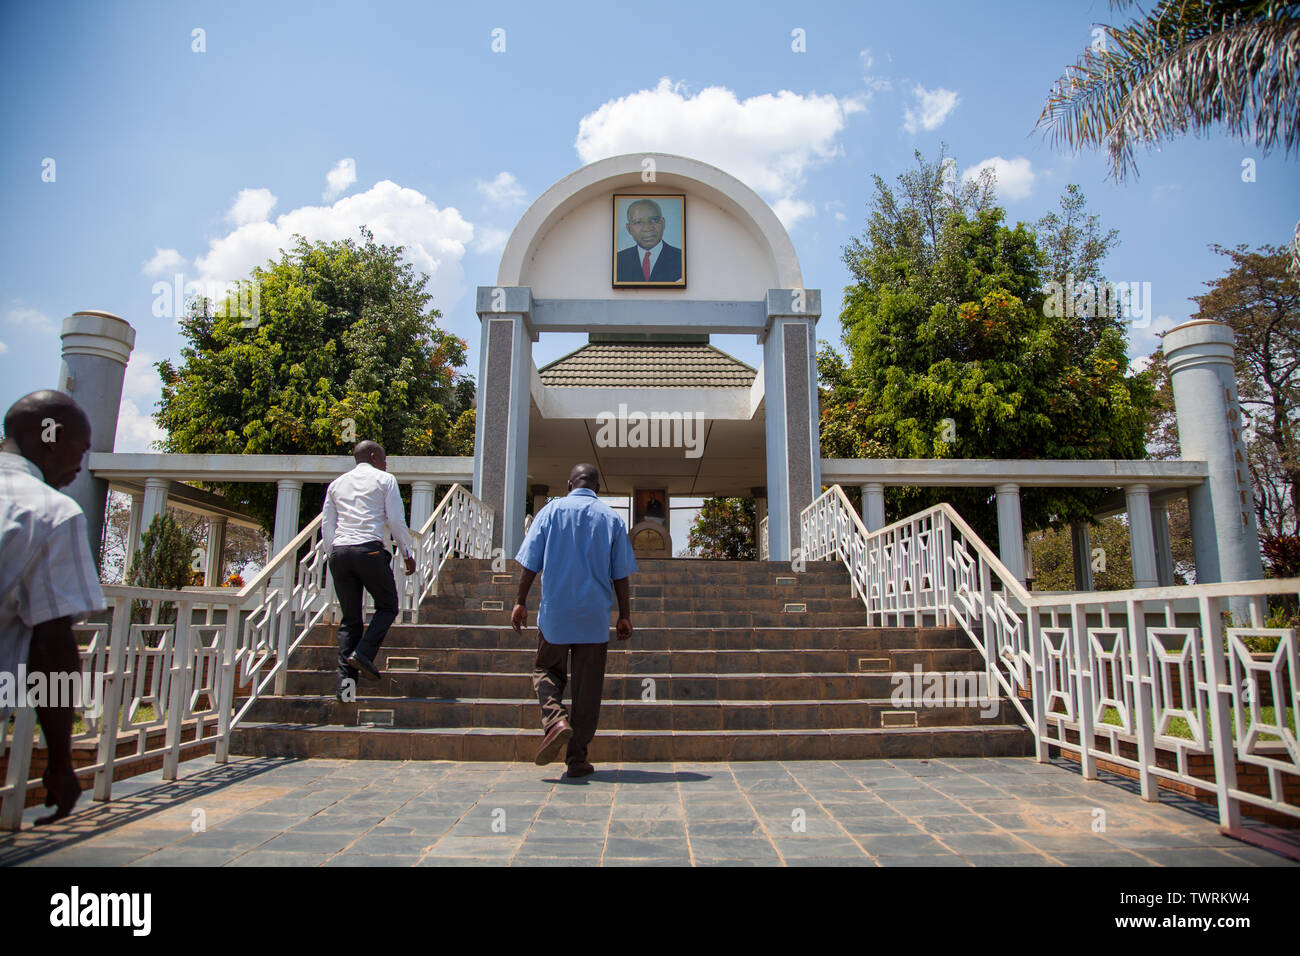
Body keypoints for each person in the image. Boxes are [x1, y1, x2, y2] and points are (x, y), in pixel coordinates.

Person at [0, 390, 106, 824]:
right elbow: (53, 645)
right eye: (79, 450)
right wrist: (59, 759)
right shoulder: (50, 512)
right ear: (50, 436)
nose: (80, 465)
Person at [512, 463, 636, 777]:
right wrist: (624, 615)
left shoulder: (550, 512)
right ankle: (577, 759)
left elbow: (530, 563)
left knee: (545, 670)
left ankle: (555, 720)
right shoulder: (610, 518)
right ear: (597, 486)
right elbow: (620, 574)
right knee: (588, 689)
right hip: (594, 618)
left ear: (570, 484)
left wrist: (519, 602)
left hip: (555, 614)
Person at [321, 440, 416, 700]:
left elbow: (327, 525)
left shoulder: (336, 484)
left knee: (350, 620)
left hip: (340, 553)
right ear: (373, 456)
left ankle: (346, 689)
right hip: (369, 550)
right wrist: (407, 553)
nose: (386, 463)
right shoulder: (385, 480)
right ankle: (363, 653)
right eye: (384, 457)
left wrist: (332, 555)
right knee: (388, 606)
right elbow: (396, 520)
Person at [615, 198, 683, 283]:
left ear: (663, 223)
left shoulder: (682, 258)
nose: (647, 228)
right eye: (638, 222)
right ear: (629, 229)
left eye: (654, 220)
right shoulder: (618, 260)